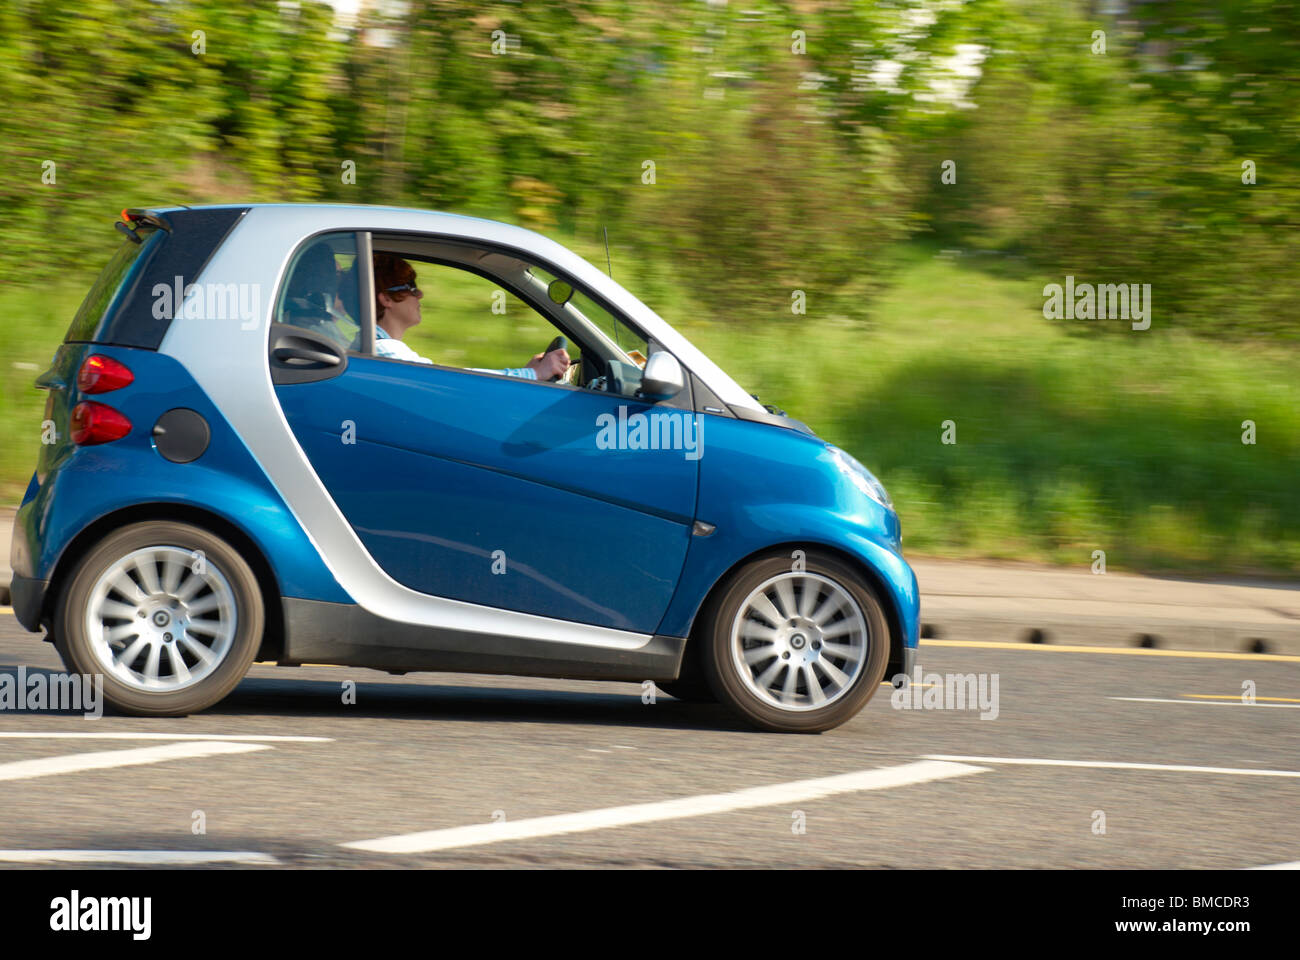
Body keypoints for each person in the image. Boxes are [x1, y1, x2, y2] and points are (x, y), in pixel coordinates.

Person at [370, 253, 569, 381]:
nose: (420, 294)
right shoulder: (386, 352)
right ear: (386, 298)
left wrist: (526, 374)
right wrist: (534, 374)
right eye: (411, 287)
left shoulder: (378, 348)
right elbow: (452, 383)